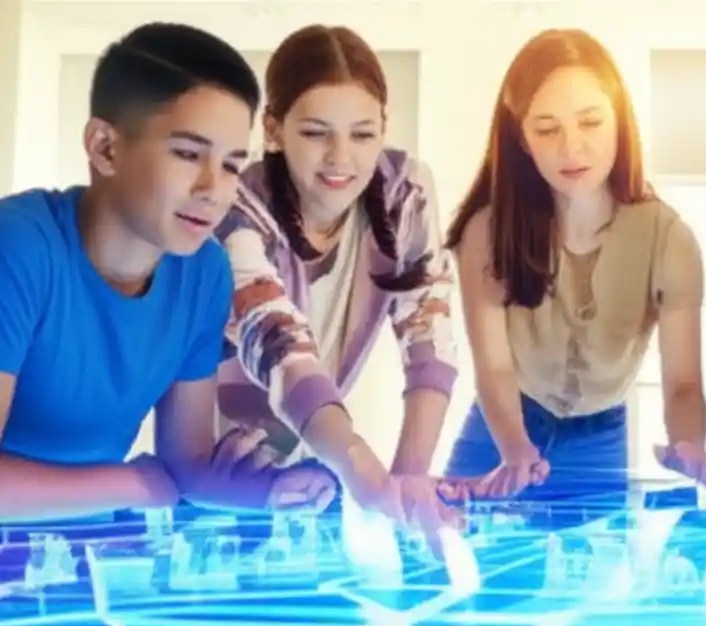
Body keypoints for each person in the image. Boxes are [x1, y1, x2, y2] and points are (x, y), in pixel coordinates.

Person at [0, 23, 334, 522]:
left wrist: (271, 489)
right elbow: (155, 482)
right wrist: (131, 482)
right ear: (105, 147)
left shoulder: (204, 273)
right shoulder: (17, 247)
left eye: (231, 165)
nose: (213, 190)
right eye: (188, 154)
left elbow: (186, 465)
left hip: (82, 544)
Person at [444, 28, 706, 501]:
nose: (572, 148)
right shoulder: (487, 232)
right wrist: (515, 450)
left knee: (591, 552)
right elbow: (494, 367)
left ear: (620, 122)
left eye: (591, 122)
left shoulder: (670, 240)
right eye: (547, 129)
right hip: (503, 424)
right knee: (442, 541)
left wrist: (689, 445)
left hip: (601, 435)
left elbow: (683, 383)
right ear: (522, 139)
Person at [214, 25, 459, 534]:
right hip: (226, 471)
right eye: (315, 133)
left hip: (321, 466)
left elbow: (428, 335)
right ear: (274, 129)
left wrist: (408, 479)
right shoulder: (234, 208)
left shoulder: (405, 193)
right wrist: (364, 473)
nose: (341, 158)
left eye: (363, 134)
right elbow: (278, 345)